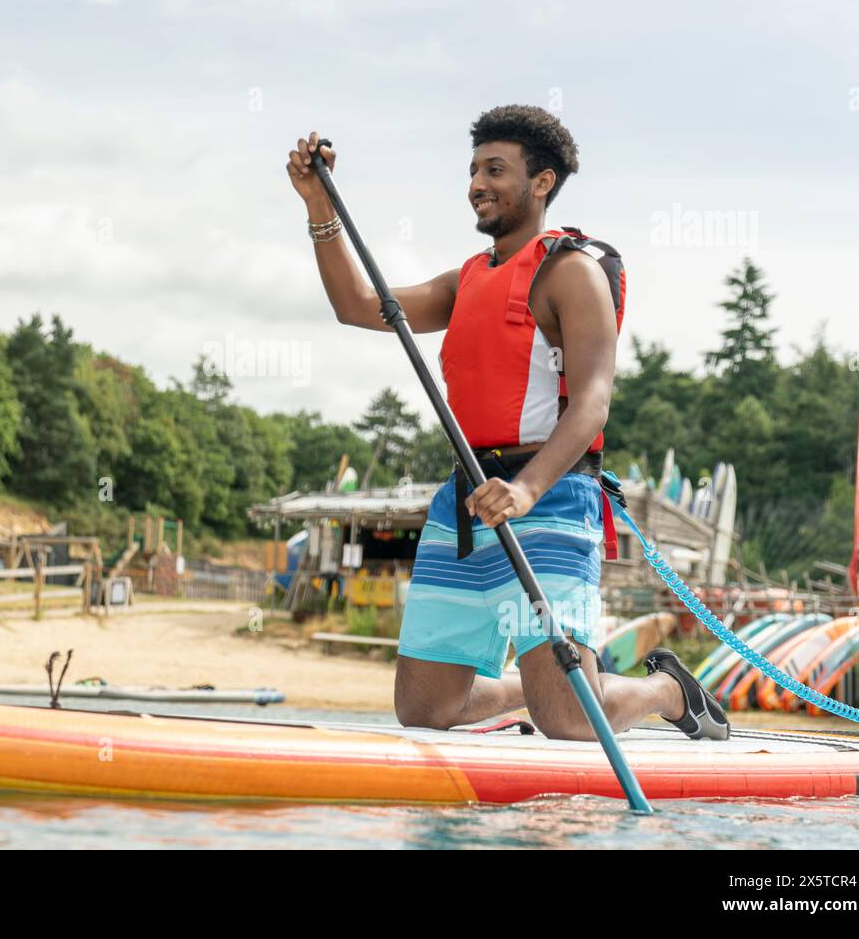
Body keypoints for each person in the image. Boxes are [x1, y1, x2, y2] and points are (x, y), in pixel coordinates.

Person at [287, 107, 728, 741]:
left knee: (570, 722)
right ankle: (541, 683)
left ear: (542, 182)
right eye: (472, 170)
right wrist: (316, 207)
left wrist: (526, 489)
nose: (476, 183)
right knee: (425, 711)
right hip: (464, 503)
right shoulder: (466, 279)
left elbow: (593, 403)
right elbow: (358, 306)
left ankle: (662, 690)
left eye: (496, 169)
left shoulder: (570, 273)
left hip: (548, 497)